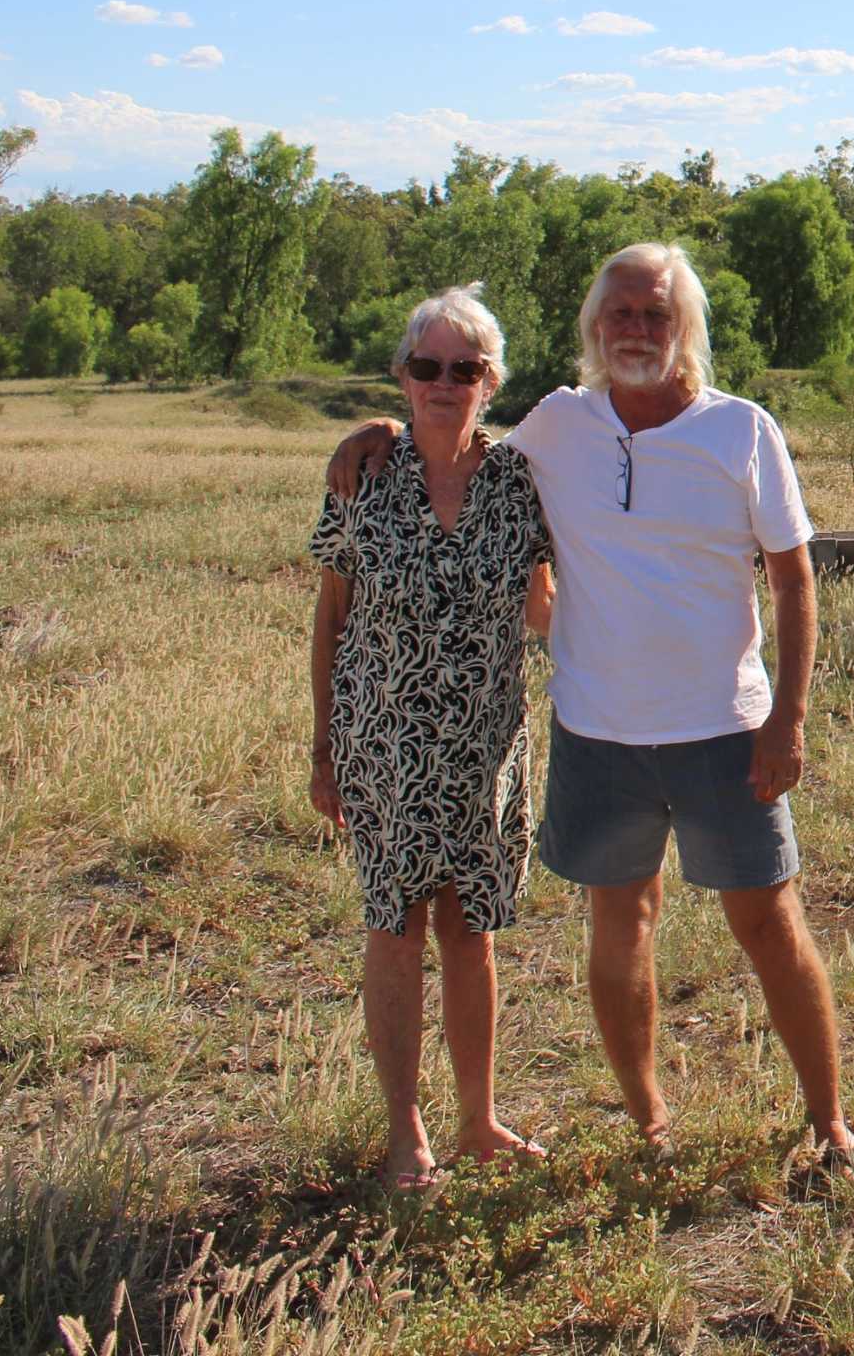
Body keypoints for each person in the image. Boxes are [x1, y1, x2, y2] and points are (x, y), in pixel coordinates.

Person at [327, 243, 854, 1165]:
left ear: (685, 327)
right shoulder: (561, 425)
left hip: (725, 733)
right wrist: (375, 427)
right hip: (598, 736)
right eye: (619, 313)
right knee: (620, 934)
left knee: (771, 927)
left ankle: (829, 1123)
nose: (636, 329)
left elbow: (794, 580)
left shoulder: (742, 431)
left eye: (655, 313)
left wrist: (789, 719)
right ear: (591, 328)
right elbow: (455, 433)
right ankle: (650, 1123)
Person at [308, 284, 556, 1190]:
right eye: (427, 367)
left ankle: (478, 1121)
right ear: (402, 377)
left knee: (471, 930)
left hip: (485, 746)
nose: (444, 383)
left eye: (465, 368)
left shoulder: (521, 481)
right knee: (396, 925)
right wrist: (323, 748)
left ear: (491, 382)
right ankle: (405, 1134)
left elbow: (547, 602)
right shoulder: (361, 479)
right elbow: (331, 617)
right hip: (383, 744)